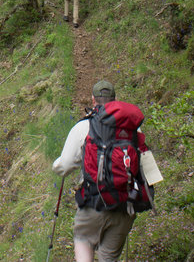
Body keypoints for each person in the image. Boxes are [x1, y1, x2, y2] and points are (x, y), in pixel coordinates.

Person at [52, 80, 138, 262]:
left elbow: (64, 166)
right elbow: (147, 170)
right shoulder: (132, 129)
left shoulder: (84, 127)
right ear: (115, 100)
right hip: (124, 206)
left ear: (93, 100)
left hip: (94, 203)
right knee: (108, 257)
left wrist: (58, 164)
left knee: (83, 240)